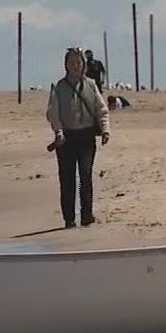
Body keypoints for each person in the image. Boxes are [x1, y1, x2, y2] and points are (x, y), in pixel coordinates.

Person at [46, 47, 111, 227]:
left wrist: (105, 130)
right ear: (66, 65)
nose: (76, 66)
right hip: (66, 138)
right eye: (72, 62)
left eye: (79, 62)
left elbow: (102, 109)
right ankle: (69, 218)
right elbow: (52, 112)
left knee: (86, 175)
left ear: (84, 64)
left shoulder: (91, 85)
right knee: (67, 179)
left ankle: (86, 216)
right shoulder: (59, 87)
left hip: (86, 137)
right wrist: (58, 132)